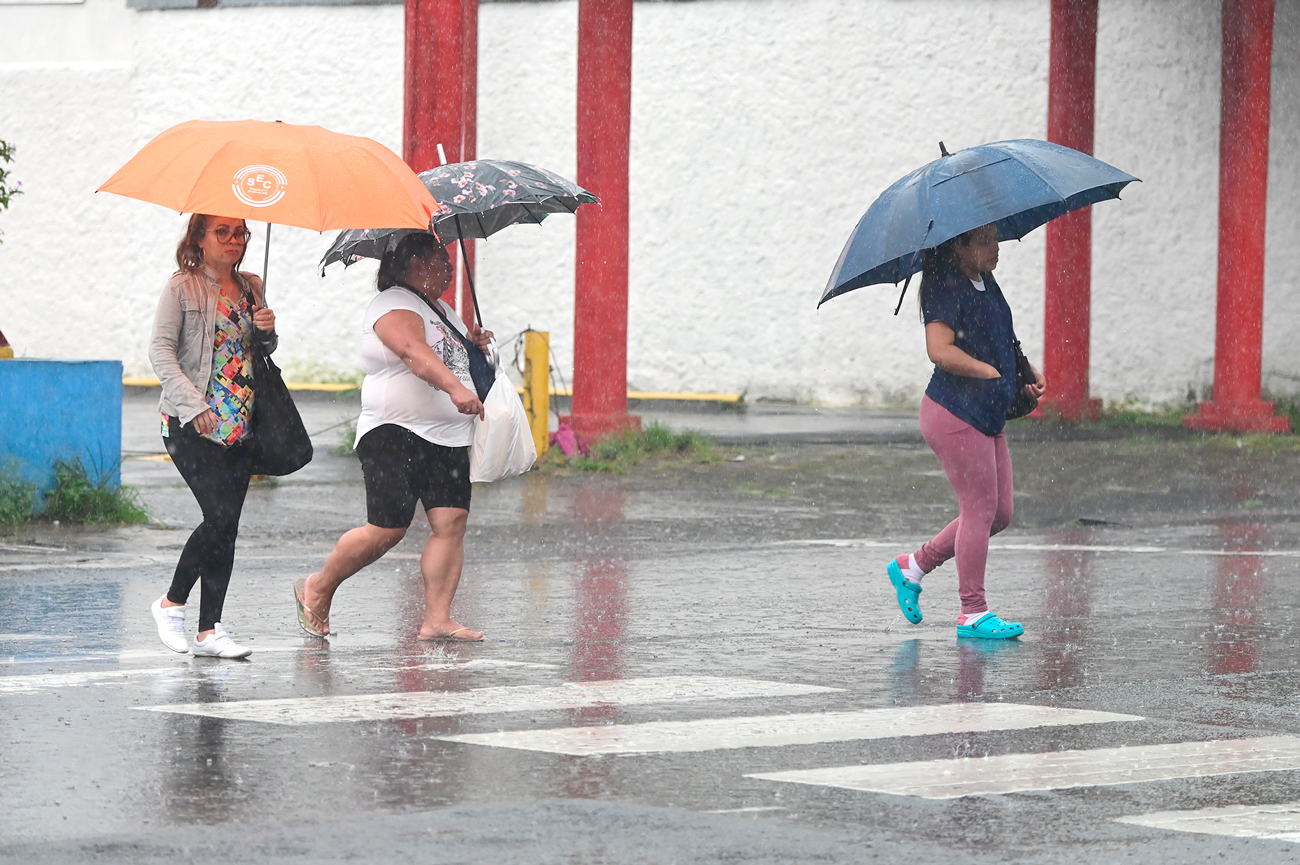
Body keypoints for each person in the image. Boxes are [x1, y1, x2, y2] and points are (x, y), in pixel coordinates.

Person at [294, 232, 491, 641]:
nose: (450, 265)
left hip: (448, 435)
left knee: (450, 523)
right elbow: (413, 353)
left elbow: (446, 355)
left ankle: (437, 619)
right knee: (387, 528)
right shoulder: (392, 304)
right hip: (396, 432)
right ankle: (318, 585)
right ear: (415, 264)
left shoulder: (444, 311)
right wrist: (455, 389)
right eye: (442, 257)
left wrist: (471, 346)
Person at [885, 223, 1046, 640]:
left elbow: (1000, 336)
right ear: (959, 245)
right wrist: (986, 371)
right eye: (986, 240)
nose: (997, 247)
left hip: (987, 412)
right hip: (954, 413)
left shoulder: (985, 281)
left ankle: (913, 566)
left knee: (999, 514)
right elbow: (939, 350)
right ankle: (972, 612)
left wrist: (1024, 369)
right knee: (978, 510)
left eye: (996, 237)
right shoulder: (944, 284)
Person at [148, 214, 276, 659]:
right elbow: (160, 351)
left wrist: (267, 331)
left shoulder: (253, 286)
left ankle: (209, 631)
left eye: (239, 231)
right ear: (199, 238)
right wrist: (193, 404)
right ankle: (170, 604)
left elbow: (258, 352)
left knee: (228, 528)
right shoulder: (182, 286)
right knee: (219, 519)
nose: (233, 240)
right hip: (190, 423)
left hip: (241, 425)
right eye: (221, 231)